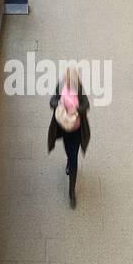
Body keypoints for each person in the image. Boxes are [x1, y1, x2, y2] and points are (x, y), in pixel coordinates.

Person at [47, 67, 90, 209]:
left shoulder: (79, 89)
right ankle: (69, 162)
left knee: (74, 159)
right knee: (68, 152)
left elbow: (86, 105)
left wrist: (76, 110)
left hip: (77, 130)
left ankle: (71, 192)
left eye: (72, 81)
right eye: (68, 80)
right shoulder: (60, 86)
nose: (70, 83)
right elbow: (52, 100)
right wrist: (59, 104)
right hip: (65, 129)